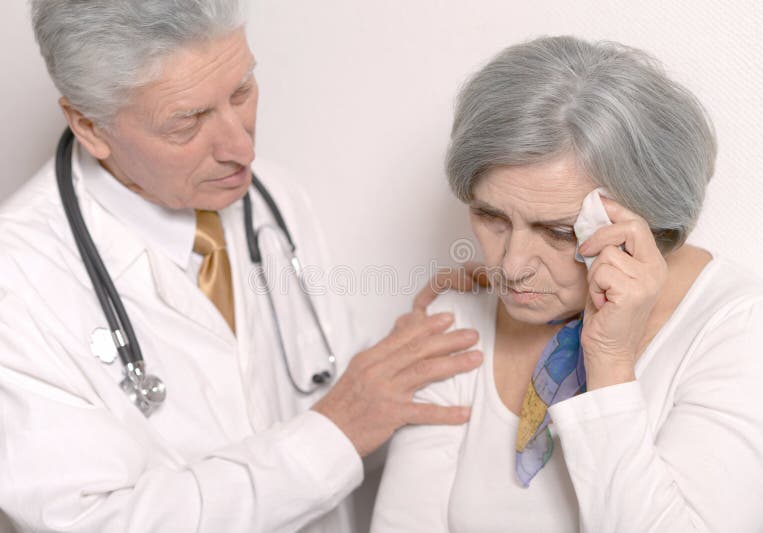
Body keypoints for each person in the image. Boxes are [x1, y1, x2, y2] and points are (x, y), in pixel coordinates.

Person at [0, 1, 484, 532]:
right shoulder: (18, 281)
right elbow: (94, 522)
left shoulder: (276, 200)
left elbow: (347, 432)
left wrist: (413, 360)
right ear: (90, 126)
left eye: (242, 91)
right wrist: (332, 434)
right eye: (187, 122)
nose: (241, 146)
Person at [372, 35, 763, 532]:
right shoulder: (459, 316)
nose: (511, 267)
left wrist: (611, 365)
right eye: (491, 217)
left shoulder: (750, 332)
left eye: (556, 231)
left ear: (649, 224)